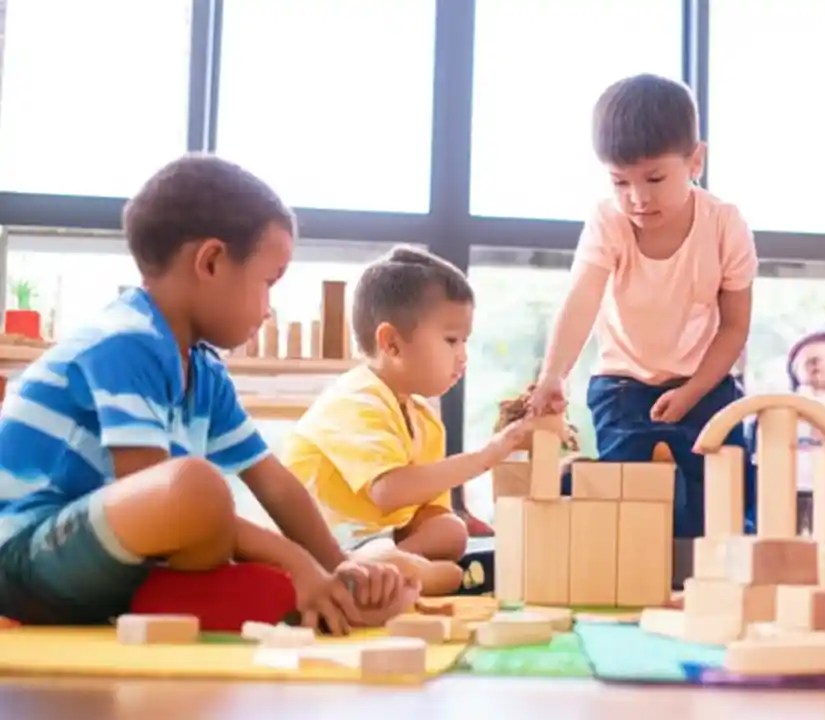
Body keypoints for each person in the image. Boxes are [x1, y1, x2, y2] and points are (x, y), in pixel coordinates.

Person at [0, 154, 410, 633]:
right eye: (268, 282)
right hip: (23, 556)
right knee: (195, 488)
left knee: (277, 587)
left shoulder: (204, 371)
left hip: (109, 568)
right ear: (211, 261)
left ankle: (195, 603)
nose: (268, 309)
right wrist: (296, 561)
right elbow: (163, 496)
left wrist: (336, 565)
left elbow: (273, 483)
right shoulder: (126, 342)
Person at [527, 74, 758, 537]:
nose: (638, 197)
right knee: (632, 509)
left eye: (654, 178)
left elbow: (734, 327)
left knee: (720, 507)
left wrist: (691, 391)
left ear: (695, 161)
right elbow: (582, 299)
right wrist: (553, 374)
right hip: (622, 386)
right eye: (620, 181)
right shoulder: (608, 220)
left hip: (704, 384)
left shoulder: (724, 224)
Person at [280, 245, 535, 596]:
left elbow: (428, 507)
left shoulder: (424, 418)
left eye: (465, 341)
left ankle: (387, 571)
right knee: (444, 571)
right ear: (391, 343)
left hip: (379, 541)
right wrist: (486, 457)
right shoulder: (357, 398)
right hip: (324, 544)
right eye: (451, 340)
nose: (462, 356)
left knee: (450, 531)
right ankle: (377, 571)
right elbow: (389, 491)